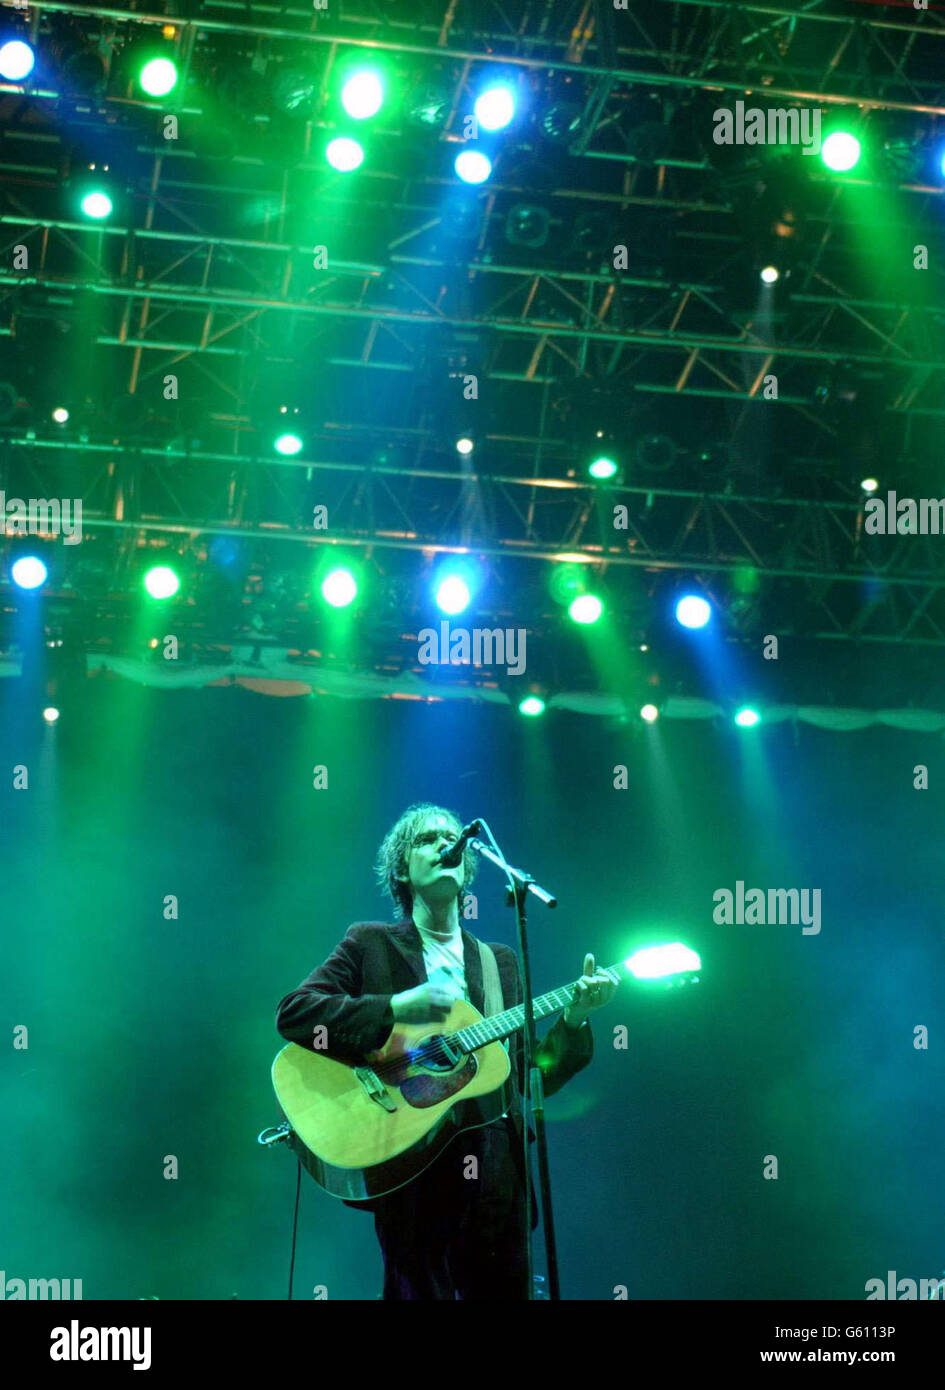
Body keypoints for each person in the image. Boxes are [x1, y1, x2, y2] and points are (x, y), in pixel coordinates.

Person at [275, 801, 617, 1300]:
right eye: (427, 839)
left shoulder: (499, 963)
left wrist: (575, 1016)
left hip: (498, 1172)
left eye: (451, 838)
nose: (444, 844)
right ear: (401, 868)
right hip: (412, 1166)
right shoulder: (370, 945)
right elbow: (297, 1012)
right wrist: (393, 1007)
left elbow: (526, 1073)